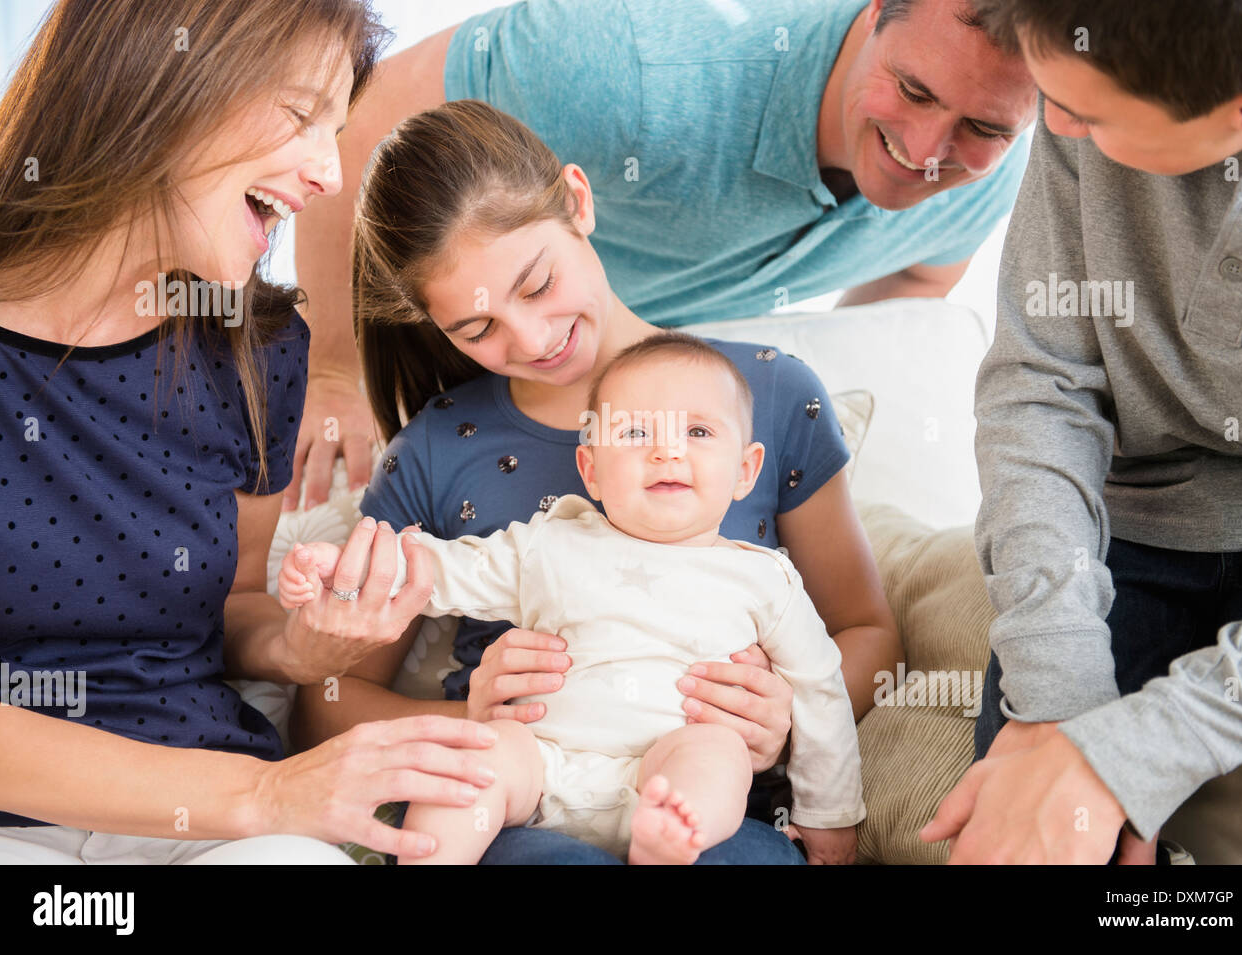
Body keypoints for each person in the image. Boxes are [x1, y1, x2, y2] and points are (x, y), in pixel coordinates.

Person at [289, 99, 900, 864]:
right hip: (521, 811)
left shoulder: (769, 397)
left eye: (539, 283)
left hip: (715, 814)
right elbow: (325, 703)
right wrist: (470, 727)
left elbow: (867, 631)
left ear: (578, 202)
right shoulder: (437, 449)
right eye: (477, 330)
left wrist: (790, 715)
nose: (534, 338)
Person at [0, 0, 500, 864]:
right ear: (155, 78)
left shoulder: (257, 348)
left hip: (212, 815)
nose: (330, 174)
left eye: (335, 130)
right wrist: (264, 792)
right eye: (300, 115)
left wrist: (303, 642)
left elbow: (220, 611)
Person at [286, 0, 1040, 515]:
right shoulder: (630, 60)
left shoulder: (990, 182)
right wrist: (329, 371)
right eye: (911, 89)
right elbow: (354, 126)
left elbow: (919, 274)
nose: (925, 151)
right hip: (431, 370)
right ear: (875, 10)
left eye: (983, 126)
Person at [921, 0, 1242, 864]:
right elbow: (1040, 387)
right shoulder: (1087, 83)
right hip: (1127, 524)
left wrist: (1123, 755)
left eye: (1090, 115)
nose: (1054, 125)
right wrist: (1058, 694)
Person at [280, 334, 865, 864]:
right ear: (591, 470)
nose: (667, 452)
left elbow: (821, 688)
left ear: (745, 470)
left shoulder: (765, 580)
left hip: (668, 768)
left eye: (698, 432)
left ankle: (666, 843)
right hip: (541, 763)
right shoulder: (551, 542)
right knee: (480, 757)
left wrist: (827, 815)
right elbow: (442, 569)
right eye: (635, 433)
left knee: (717, 755)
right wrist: (345, 569)